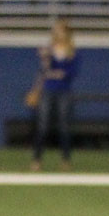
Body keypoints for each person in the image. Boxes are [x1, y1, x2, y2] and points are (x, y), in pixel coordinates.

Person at [30, 19, 79, 171]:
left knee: (64, 126)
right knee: (42, 125)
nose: (59, 34)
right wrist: (46, 61)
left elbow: (70, 73)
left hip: (64, 91)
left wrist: (56, 73)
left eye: (62, 31)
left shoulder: (73, 52)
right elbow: (45, 71)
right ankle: (37, 160)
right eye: (57, 31)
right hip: (48, 90)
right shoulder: (49, 50)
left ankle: (66, 160)